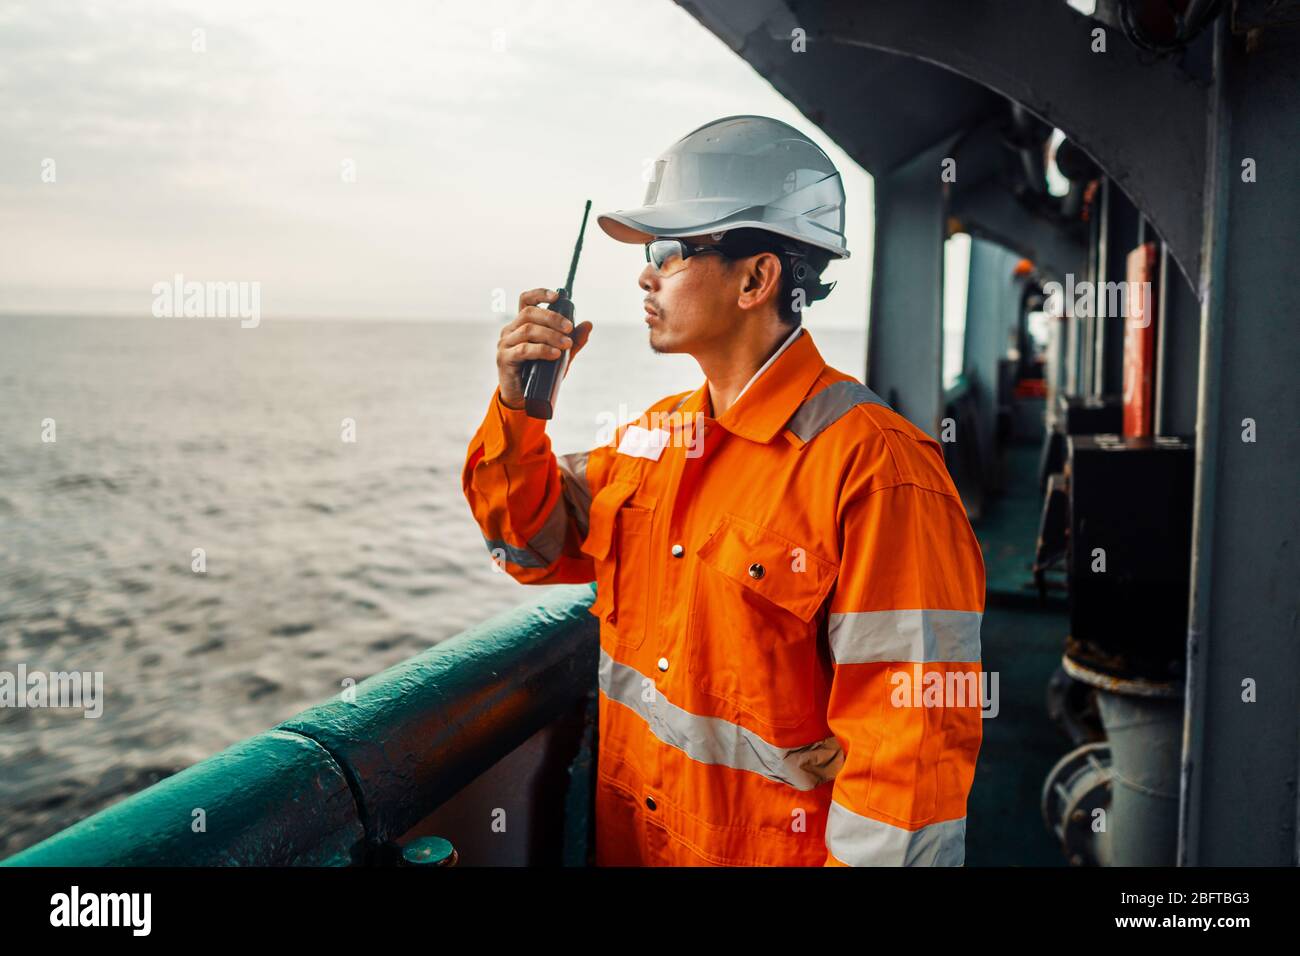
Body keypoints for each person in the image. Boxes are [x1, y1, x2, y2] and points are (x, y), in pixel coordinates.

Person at [462, 115, 985, 866]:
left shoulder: (879, 471)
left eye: (669, 251)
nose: (646, 275)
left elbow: (908, 767)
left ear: (756, 278)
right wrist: (519, 409)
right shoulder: (652, 440)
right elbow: (525, 546)